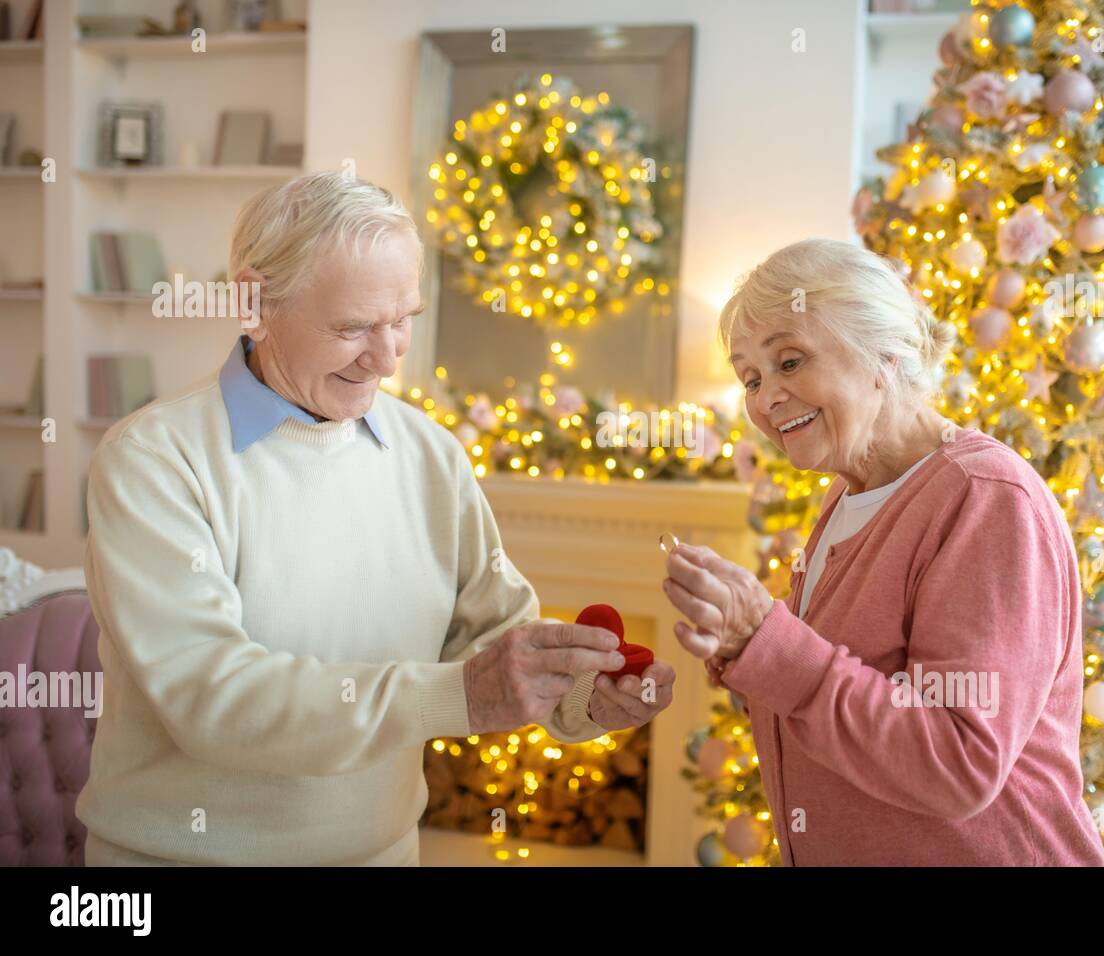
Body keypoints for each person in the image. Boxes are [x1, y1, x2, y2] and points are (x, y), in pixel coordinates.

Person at [77, 171, 674, 866]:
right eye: (354, 327)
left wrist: (585, 701)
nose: (388, 359)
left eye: (404, 322)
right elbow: (214, 697)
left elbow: (495, 636)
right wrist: (461, 697)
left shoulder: (429, 452)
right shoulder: (152, 459)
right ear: (252, 302)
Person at [662, 238, 1104, 866]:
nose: (764, 400)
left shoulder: (983, 498)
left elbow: (958, 763)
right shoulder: (845, 500)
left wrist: (765, 638)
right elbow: (834, 695)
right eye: (751, 378)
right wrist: (740, 647)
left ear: (883, 352)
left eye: (789, 362)